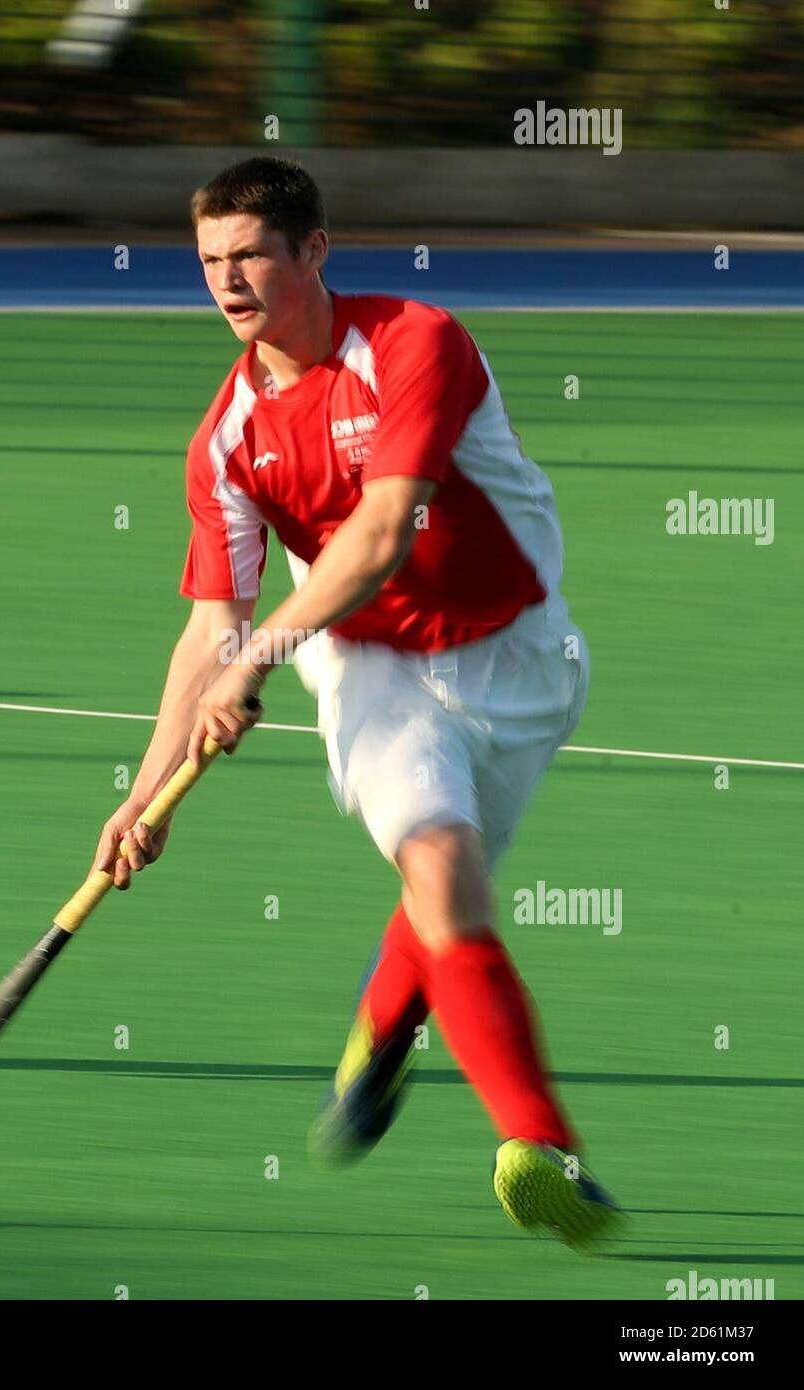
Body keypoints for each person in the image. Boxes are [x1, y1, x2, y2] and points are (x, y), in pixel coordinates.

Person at [92, 155, 623, 1249]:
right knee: (438, 865)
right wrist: (146, 798)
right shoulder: (226, 439)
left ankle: (381, 1025)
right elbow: (208, 629)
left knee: (447, 895)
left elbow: (382, 534)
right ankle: (541, 1148)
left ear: (313, 252)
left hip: (519, 654)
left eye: (249, 256)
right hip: (368, 664)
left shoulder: (413, 342)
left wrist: (260, 657)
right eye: (208, 263)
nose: (228, 283)